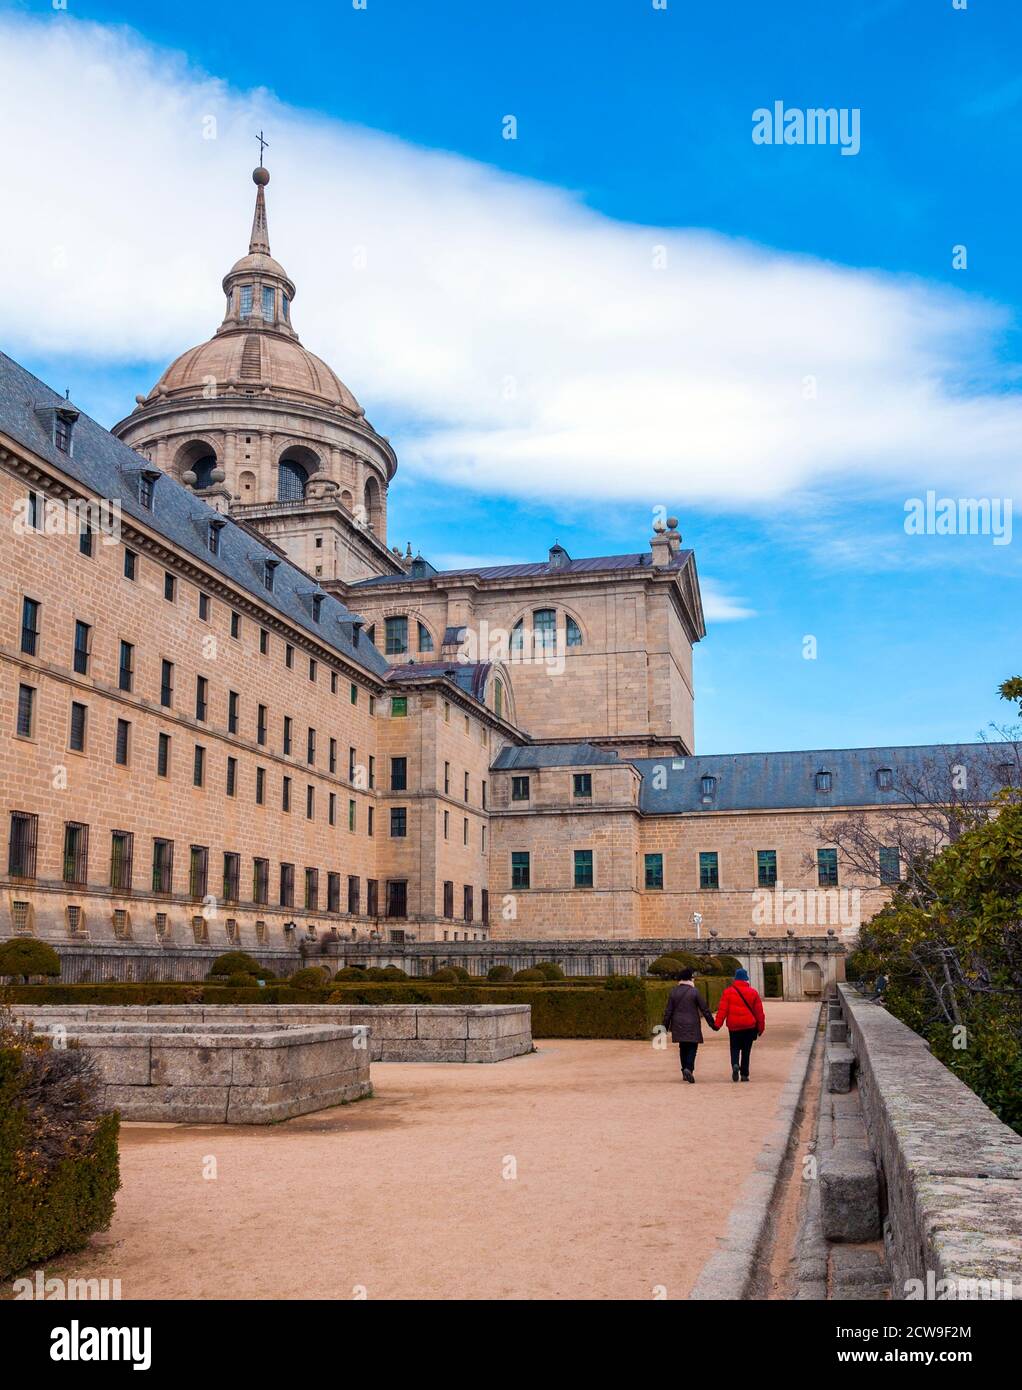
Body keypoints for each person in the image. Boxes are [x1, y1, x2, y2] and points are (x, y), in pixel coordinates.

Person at [662, 966, 718, 1083]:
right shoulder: (694, 991)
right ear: (689, 979)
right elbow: (705, 1009)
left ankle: (684, 1071)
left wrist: (664, 1027)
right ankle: (689, 1069)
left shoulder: (674, 991)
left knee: (683, 1047)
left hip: (678, 1024)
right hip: (692, 1023)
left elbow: (668, 1012)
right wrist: (712, 1024)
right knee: (692, 1047)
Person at [714, 968, 765, 1083]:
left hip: (734, 1026)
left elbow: (722, 1010)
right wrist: (761, 1028)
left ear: (735, 979)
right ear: (746, 979)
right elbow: (759, 1013)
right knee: (746, 1051)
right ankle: (744, 1074)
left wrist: (717, 1024)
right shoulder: (753, 992)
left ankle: (735, 1064)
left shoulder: (728, 992)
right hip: (749, 1026)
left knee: (734, 1048)